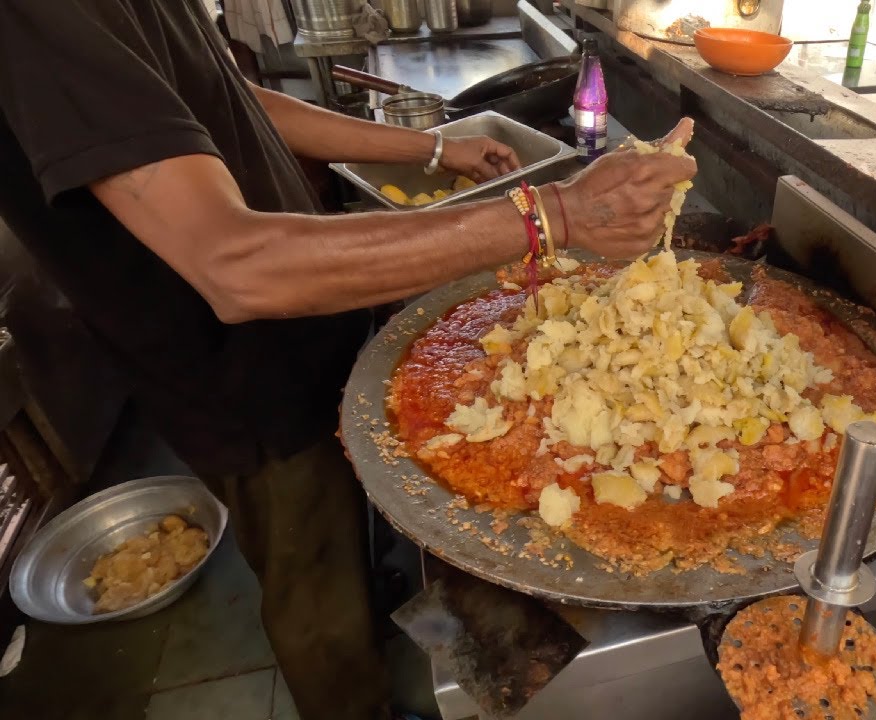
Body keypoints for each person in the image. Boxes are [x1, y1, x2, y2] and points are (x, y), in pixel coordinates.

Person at [0, 0, 696, 718]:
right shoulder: (45, 18)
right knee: (314, 588)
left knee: (346, 532)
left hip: (304, 336)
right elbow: (236, 269)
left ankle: (372, 600)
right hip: (239, 381)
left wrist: (432, 151)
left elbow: (223, 101)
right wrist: (556, 214)